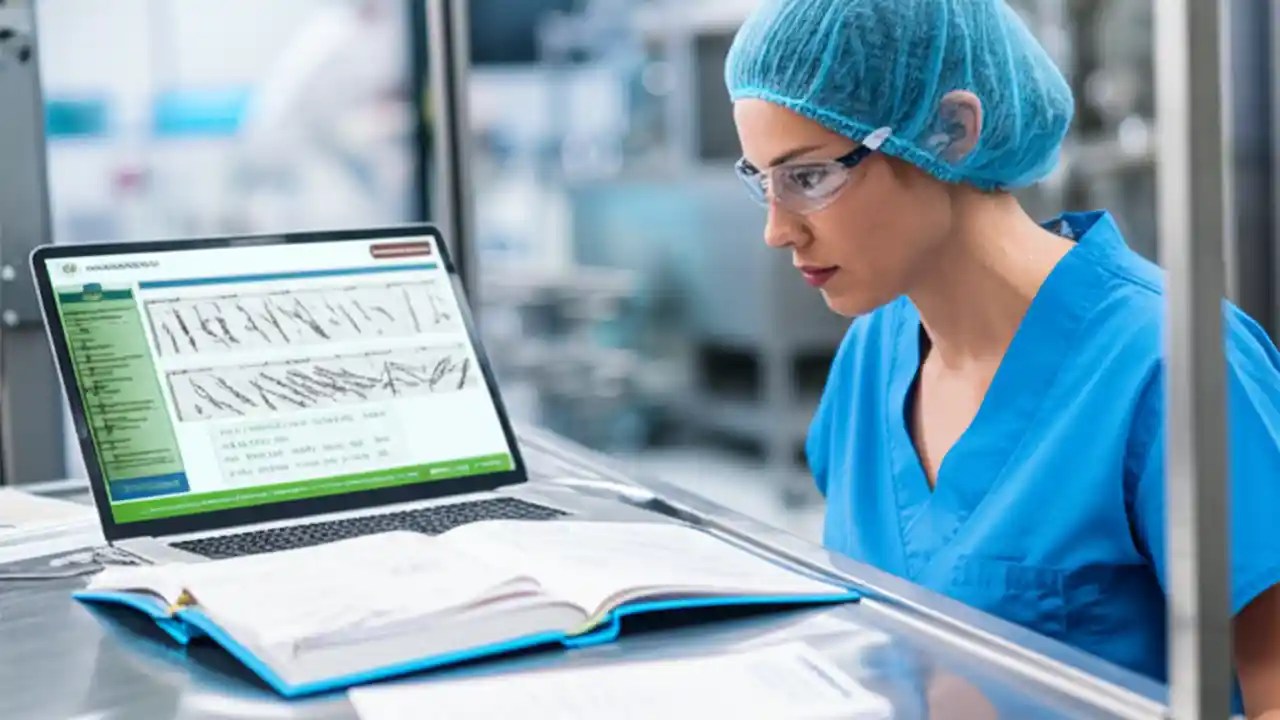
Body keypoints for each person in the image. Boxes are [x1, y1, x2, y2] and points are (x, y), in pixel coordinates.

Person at [723, 0, 1280, 715]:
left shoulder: (1172, 364)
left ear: (952, 131)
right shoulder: (871, 356)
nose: (777, 231)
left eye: (809, 178)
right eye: (761, 181)